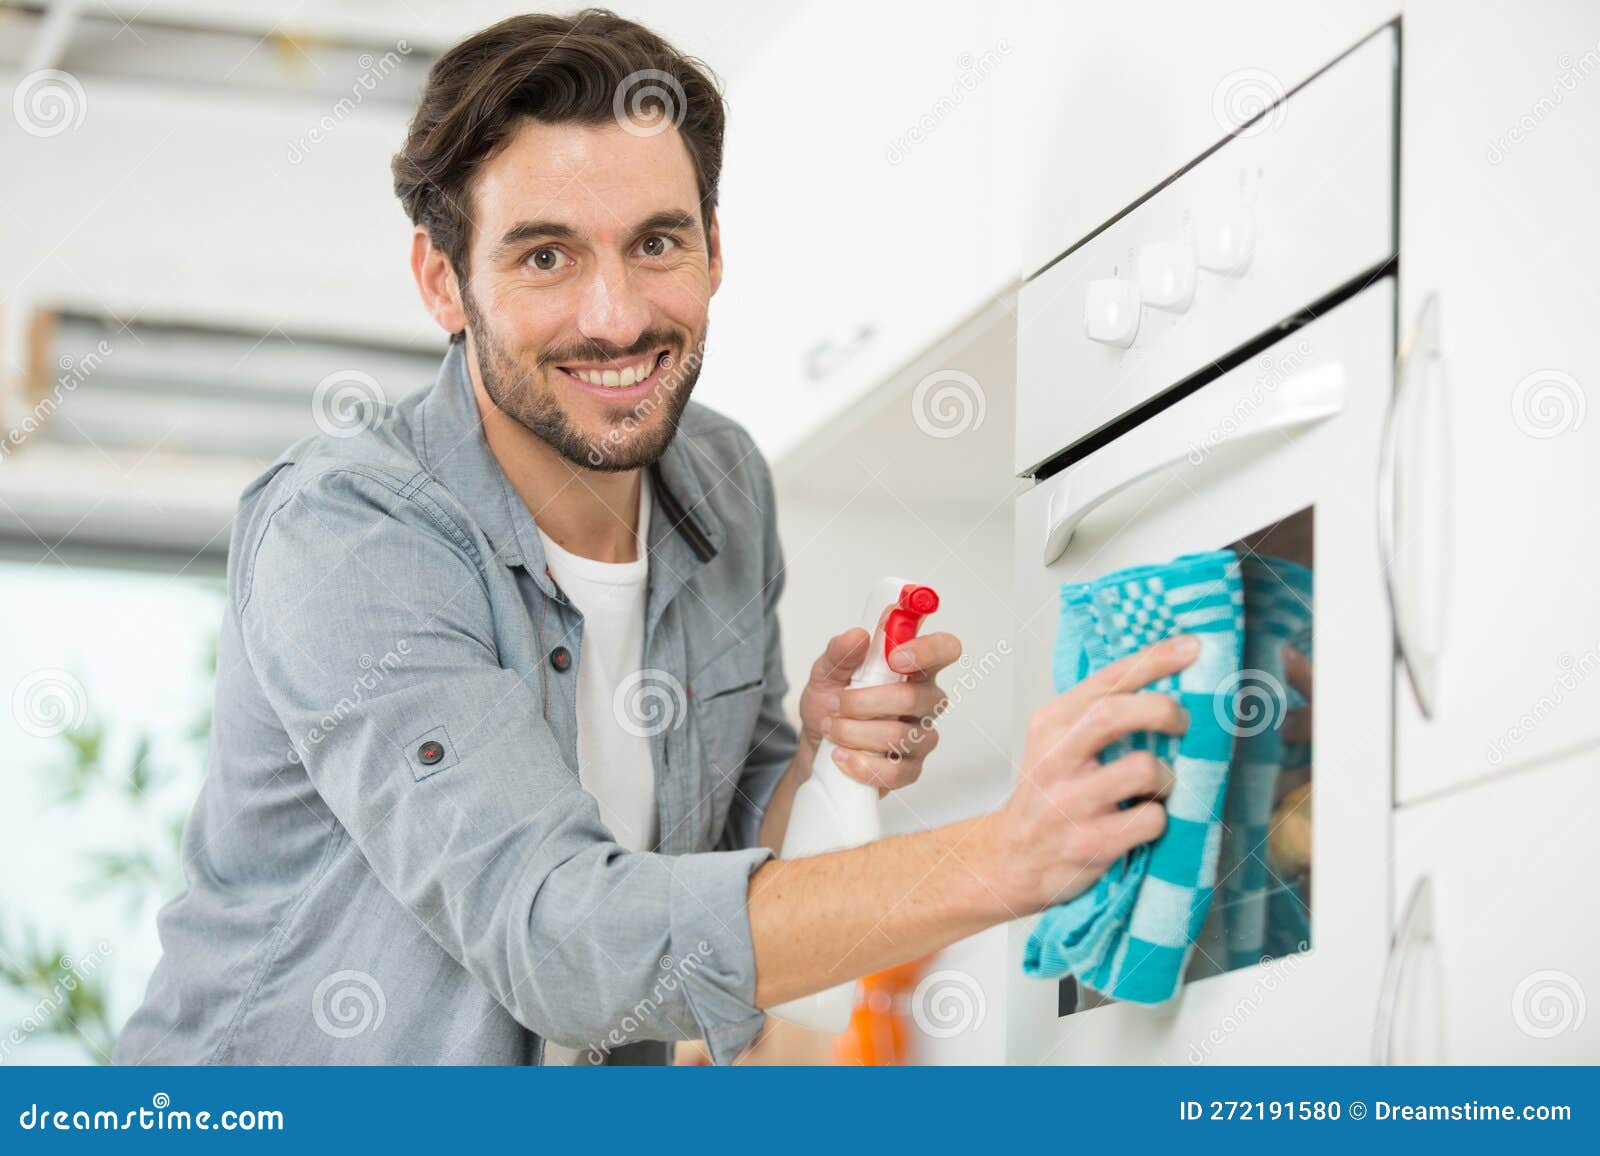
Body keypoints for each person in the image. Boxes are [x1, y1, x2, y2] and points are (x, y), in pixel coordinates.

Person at [114, 8, 1190, 1066]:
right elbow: (563, 942)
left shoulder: (721, 486)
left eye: (657, 243)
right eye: (546, 257)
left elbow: (721, 876)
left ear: (714, 250)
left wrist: (817, 764)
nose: (617, 315)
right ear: (443, 281)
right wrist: (1005, 855)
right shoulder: (348, 535)